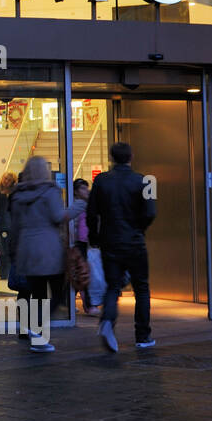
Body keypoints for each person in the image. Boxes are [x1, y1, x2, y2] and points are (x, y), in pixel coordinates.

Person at [8, 155, 83, 352]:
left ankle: (38, 337)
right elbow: (58, 216)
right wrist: (79, 206)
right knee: (58, 293)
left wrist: (13, 251)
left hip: (27, 249)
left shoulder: (17, 195)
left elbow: (14, 227)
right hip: (48, 248)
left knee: (38, 294)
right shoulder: (50, 191)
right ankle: (37, 329)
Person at [87, 141, 156, 352]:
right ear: (131, 157)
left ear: (112, 158)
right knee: (141, 288)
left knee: (113, 285)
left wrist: (94, 236)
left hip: (110, 241)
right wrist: (139, 229)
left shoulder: (101, 181)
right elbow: (150, 212)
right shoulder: (144, 181)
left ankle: (108, 320)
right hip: (134, 241)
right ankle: (143, 335)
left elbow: (91, 213)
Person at [72, 177, 105, 314]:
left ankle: (85, 303)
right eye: (82, 188)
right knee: (82, 273)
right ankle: (88, 304)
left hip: (87, 244)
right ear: (75, 191)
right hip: (78, 243)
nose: (86, 191)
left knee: (83, 273)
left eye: (86, 188)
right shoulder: (75, 206)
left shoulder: (90, 205)